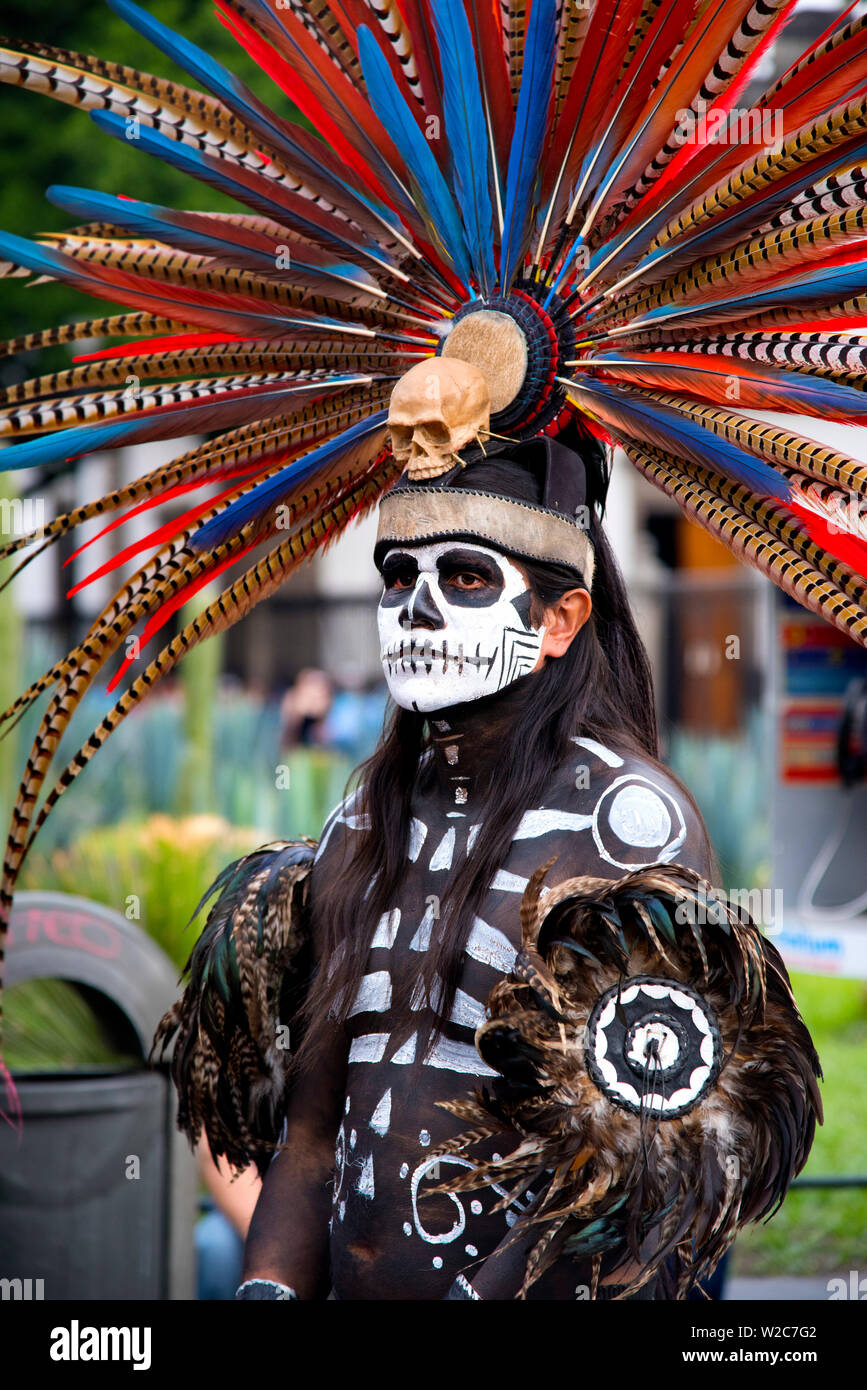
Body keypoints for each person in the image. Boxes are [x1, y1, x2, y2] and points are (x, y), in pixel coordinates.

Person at [236, 430, 719, 1301]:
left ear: (559, 621)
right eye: (397, 579)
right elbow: (309, 1137)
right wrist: (268, 1289)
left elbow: (629, 1169)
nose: (417, 611)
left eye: (464, 577)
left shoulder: (623, 830)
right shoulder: (362, 823)